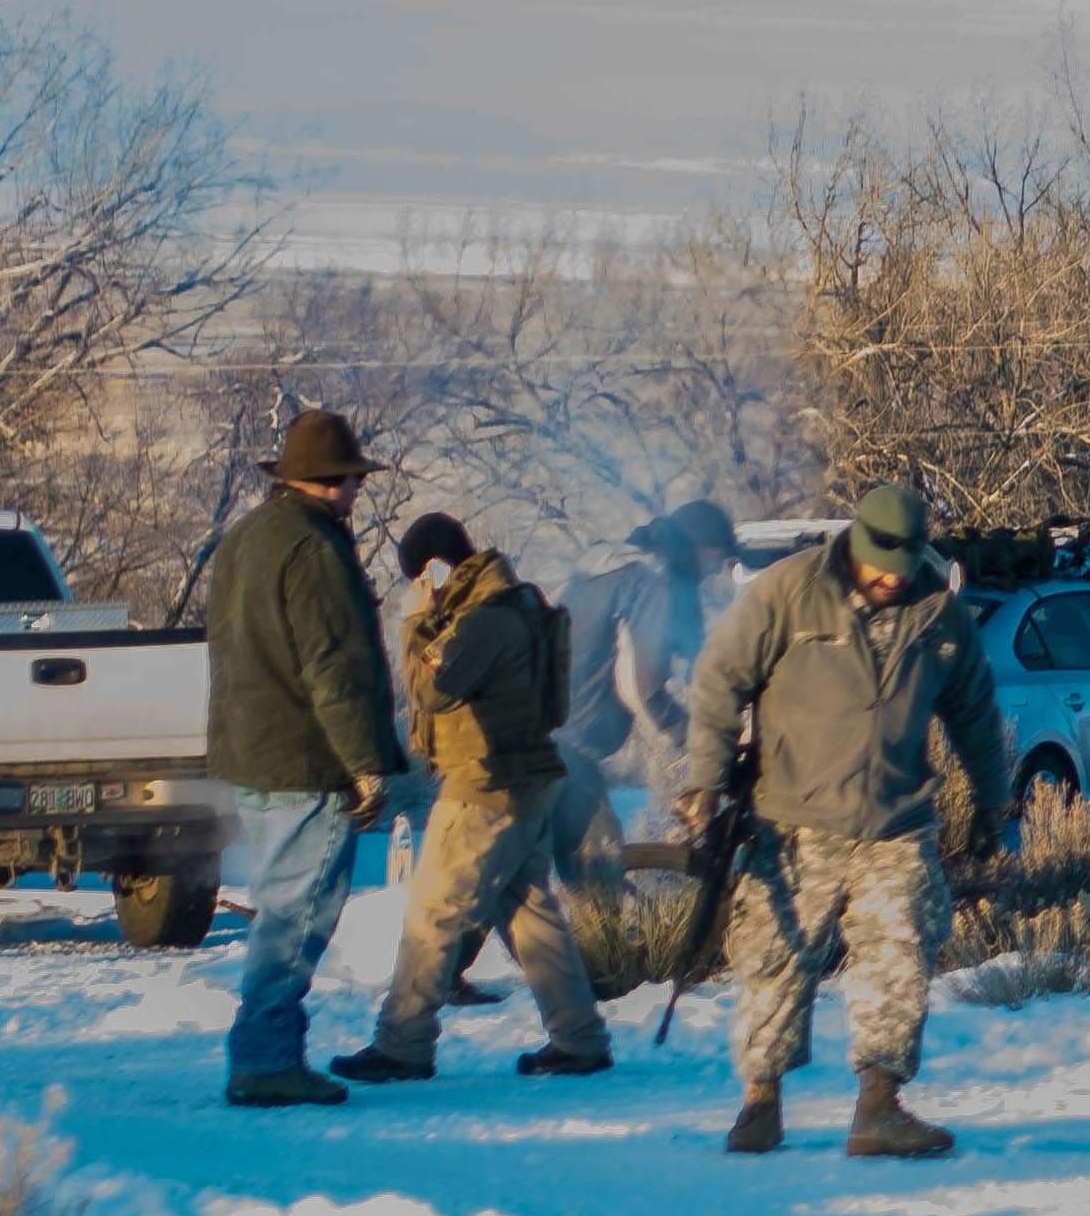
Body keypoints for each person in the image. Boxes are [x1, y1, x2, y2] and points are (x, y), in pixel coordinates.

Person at [681, 484, 1011, 1158]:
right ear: (856, 544)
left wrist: (991, 801)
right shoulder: (788, 593)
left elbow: (975, 711)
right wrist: (707, 783)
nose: (892, 578)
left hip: (897, 821)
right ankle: (761, 1103)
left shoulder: (938, 615)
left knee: (899, 954)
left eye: (904, 566)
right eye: (881, 565)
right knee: (774, 960)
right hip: (791, 817)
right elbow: (719, 679)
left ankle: (879, 1107)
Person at [330, 513, 613, 1083]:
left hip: (484, 788)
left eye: (420, 577)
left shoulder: (483, 620)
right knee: (530, 915)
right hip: (525, 783)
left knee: (432, 916)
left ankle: (403, 1045)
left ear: (437, 568)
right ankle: (578, 1038)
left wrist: (415, 623)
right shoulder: (516, 605)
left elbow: (433, 691)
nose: (420, 589)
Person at [215, 409, 408, 1108]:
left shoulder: (245, 537)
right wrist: (363, 763)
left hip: (254, 753)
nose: (359, 489)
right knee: (295, 919)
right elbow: (333, 666)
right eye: (355, 479)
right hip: (307, 758)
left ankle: (264, 1056)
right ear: (333, 481)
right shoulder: (314, 548)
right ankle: (266, 1061)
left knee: (278, 910)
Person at [551, 499, 740, 881]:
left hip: (545, 740)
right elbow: (642, 688)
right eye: (719, 559)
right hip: (566, 750)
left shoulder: (613, 566)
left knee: (538, 881)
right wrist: (699, 741)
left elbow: (689, 649)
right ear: (704, 547)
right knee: (599, 871)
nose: (716, 571)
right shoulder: (650, 583)